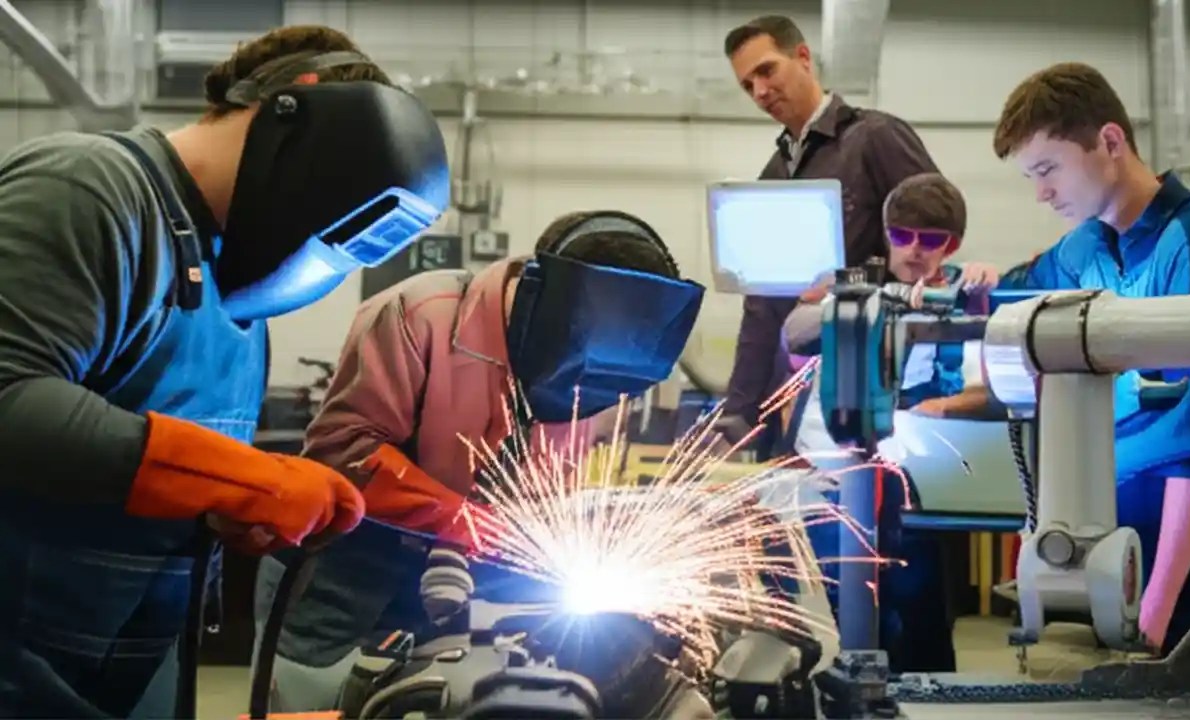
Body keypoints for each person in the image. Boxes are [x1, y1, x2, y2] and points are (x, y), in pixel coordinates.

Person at [0, 25, 452, 718]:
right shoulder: (90, 188)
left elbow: (158, 482)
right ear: (290, 122)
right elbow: (12, 395)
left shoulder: (236, 296)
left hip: (136, 666)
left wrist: (233, 511)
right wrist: (244, 478)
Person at [253, 210, 705, 713]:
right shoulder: (420, 312)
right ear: (539, 297)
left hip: (474, 580)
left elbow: (552, 492)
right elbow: (343, 452)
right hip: (348, 566)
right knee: (311, 705)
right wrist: (462, 523)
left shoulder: (606, 367)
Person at [993, 62, 1190, 655]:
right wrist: (959, 281)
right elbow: (1009, 294)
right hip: (1124, 536)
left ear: (1110, 141)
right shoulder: (1086, 248)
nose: (1041, 193)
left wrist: (1157, 606)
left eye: (1048, 169)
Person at [782, 172, 998, 672]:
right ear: (887, 234)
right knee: (848, 618)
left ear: (952, 245)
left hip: (917, 486)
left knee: (919, 622)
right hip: (831, 482)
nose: (914, 250)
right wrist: (866, 302)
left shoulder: (964, 296)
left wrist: (941, 407)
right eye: (902, 235)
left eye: (930, 240)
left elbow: (990, 392)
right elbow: (794, 333)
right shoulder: (851, 285)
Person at [718, 15, 942, 457]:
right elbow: (762, 305)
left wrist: (849, 286)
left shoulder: (876, 139)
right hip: (801, 395)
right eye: (747, 85)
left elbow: (932, 245)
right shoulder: (773, 177)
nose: (759, 91)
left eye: (766, 70)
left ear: (803, 57)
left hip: (876, 390)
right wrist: (737, 415)